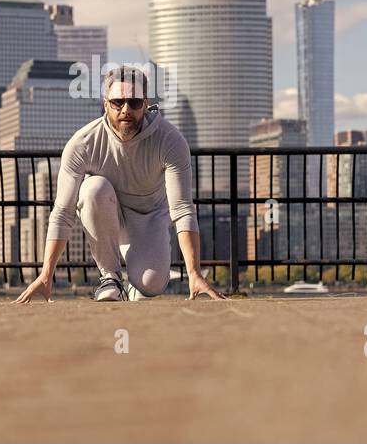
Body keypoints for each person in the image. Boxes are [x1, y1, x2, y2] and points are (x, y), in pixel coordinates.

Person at [14, 65, 225, 303]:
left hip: (149, 217)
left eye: (134, 103)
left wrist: (194, 273)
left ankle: (135, 286)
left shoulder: (170, 140)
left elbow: (183, 209)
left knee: (152, 284)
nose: (126, 109)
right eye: (118, 102)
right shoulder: (83, 142)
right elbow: (62, 213)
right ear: (106, 104)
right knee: (93, 188)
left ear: (145, 104)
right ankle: (111, 277)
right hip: (106, 209)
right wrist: (46, 274)